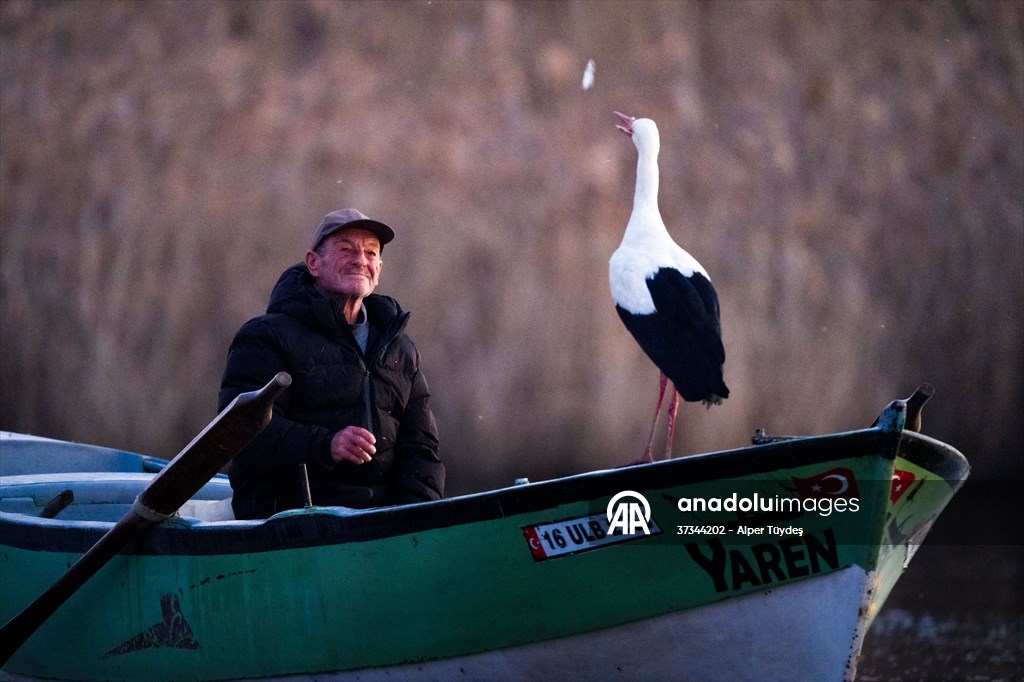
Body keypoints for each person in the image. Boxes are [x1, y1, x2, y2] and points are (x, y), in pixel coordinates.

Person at [219, 208, 444, 519]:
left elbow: (421, 449)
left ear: (379, 267)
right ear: (313, 263)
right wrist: (327, 445)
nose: (360, 260)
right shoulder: (265, 337)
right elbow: (241, 432)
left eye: (370, 252)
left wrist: (414, 519)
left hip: (382, 526)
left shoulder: (401, 350)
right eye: (345, 249)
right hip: (289, 526)